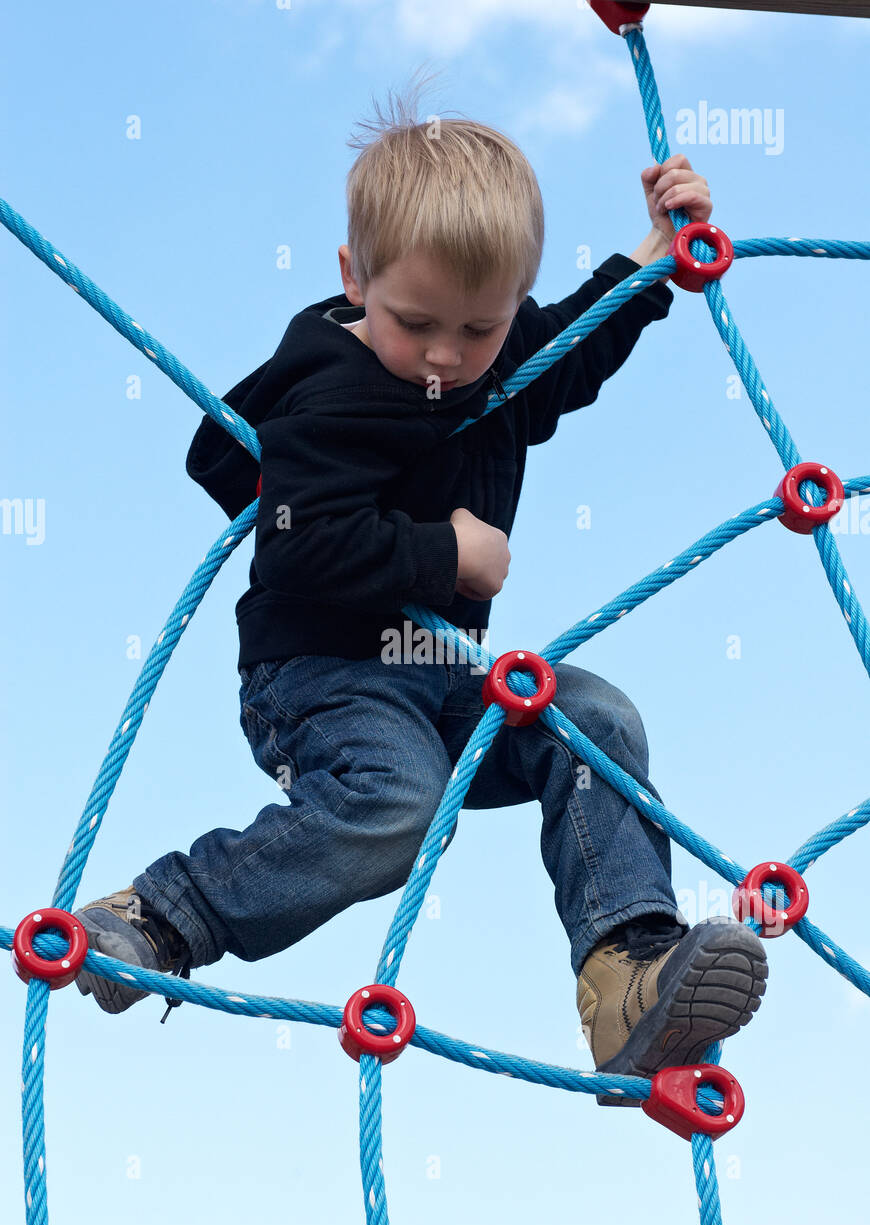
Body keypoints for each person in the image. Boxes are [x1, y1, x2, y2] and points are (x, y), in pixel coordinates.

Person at [74, 76, 767, 1095]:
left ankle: (628, 970)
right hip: (322, 677)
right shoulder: (332, 389)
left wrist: (653, 260)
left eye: (479, 333)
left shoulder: (497, 357)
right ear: (355, 277)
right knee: (393, 807)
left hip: (444, 675)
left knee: (594, 722)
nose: (446, 358)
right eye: (417, 323)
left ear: (509, 309)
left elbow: (570, 352)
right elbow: (298, 538)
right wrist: (447, 554)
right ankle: (159, 914)